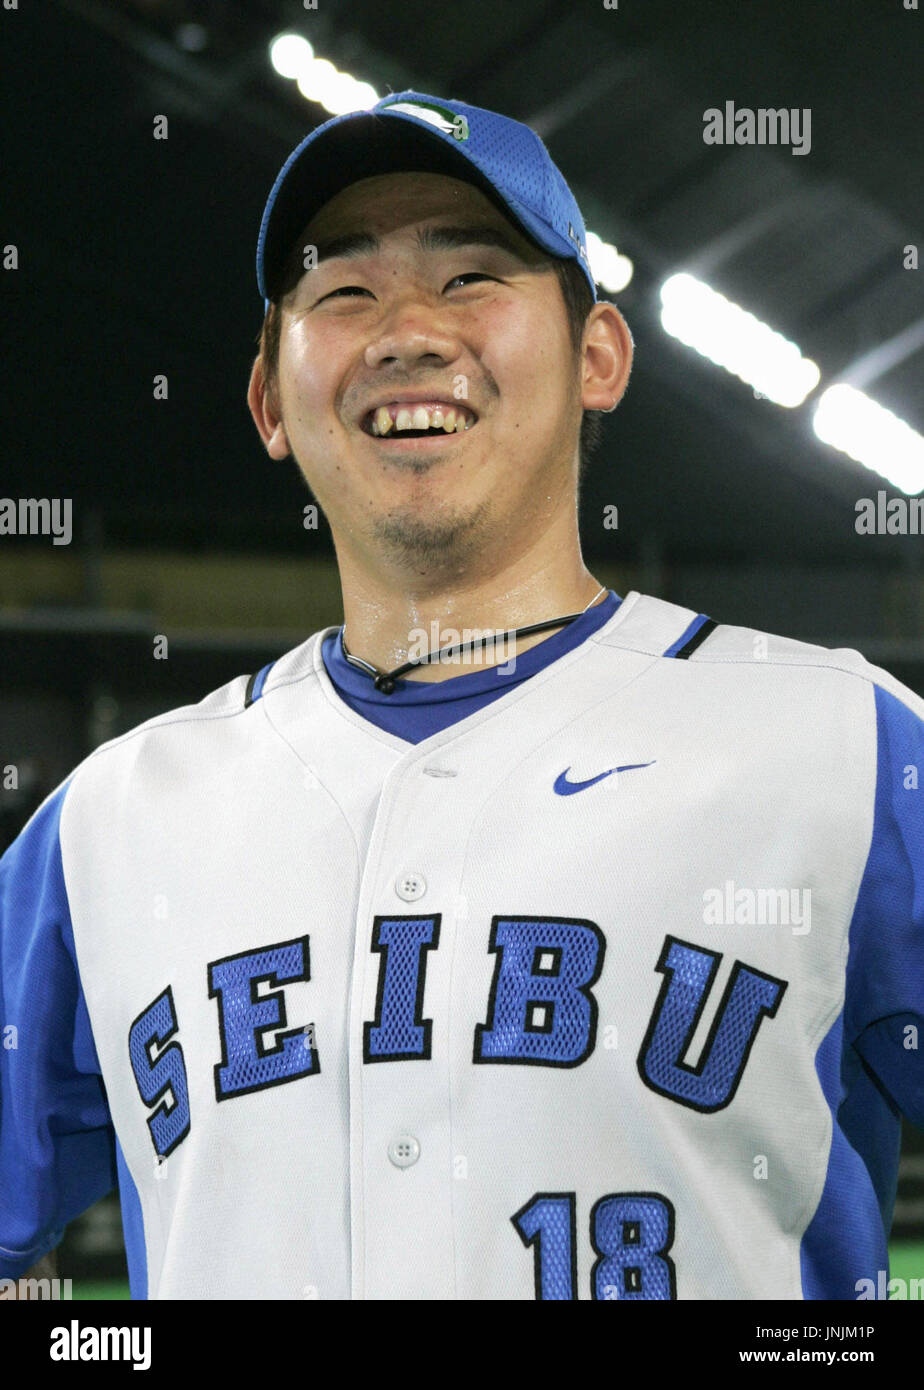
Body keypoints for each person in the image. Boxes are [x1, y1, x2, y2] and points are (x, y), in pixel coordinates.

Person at [1, 90, 921, 1301]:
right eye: (343, 293)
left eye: (475, 276)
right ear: (273, 401)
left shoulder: (845, 743)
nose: (408, 331)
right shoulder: (110, 821)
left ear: (599, 356)